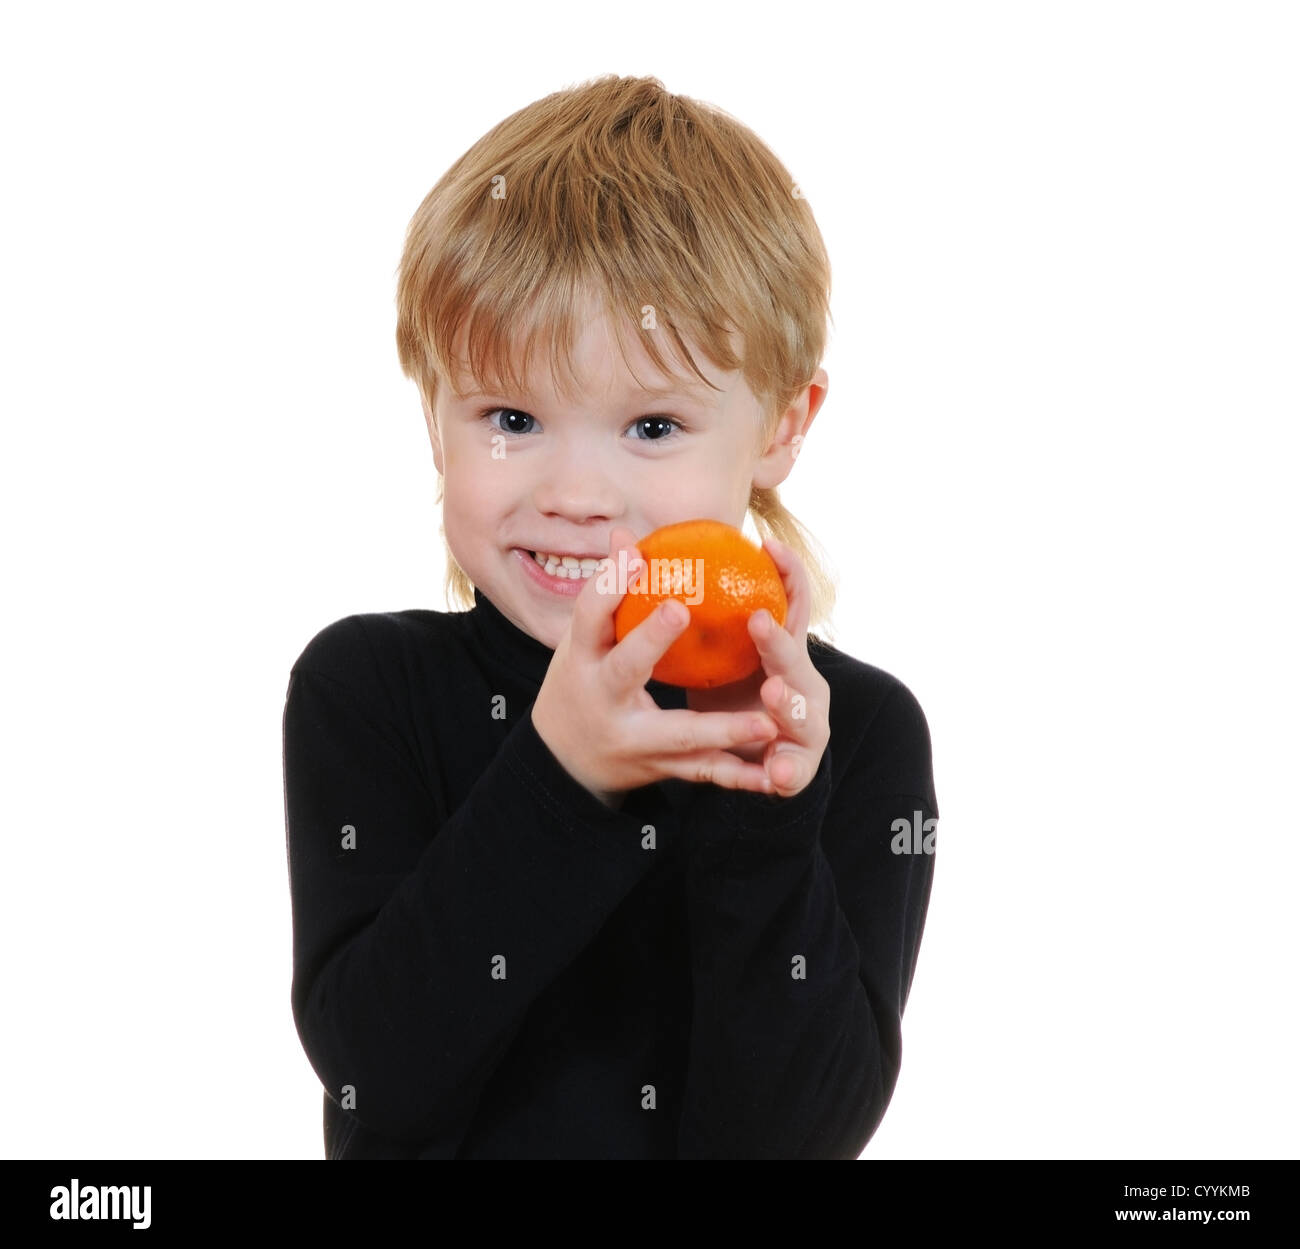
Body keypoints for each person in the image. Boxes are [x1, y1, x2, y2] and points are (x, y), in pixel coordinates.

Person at [281, 73, 939, 1159]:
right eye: (511, 417)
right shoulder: (367, 689)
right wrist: (560, 772)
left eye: (651, 427)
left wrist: (762, 819)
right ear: (434, 422)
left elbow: (796, 1138)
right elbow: (376, 1072)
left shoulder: (851, 733)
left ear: (783, 426)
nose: (577, 495)